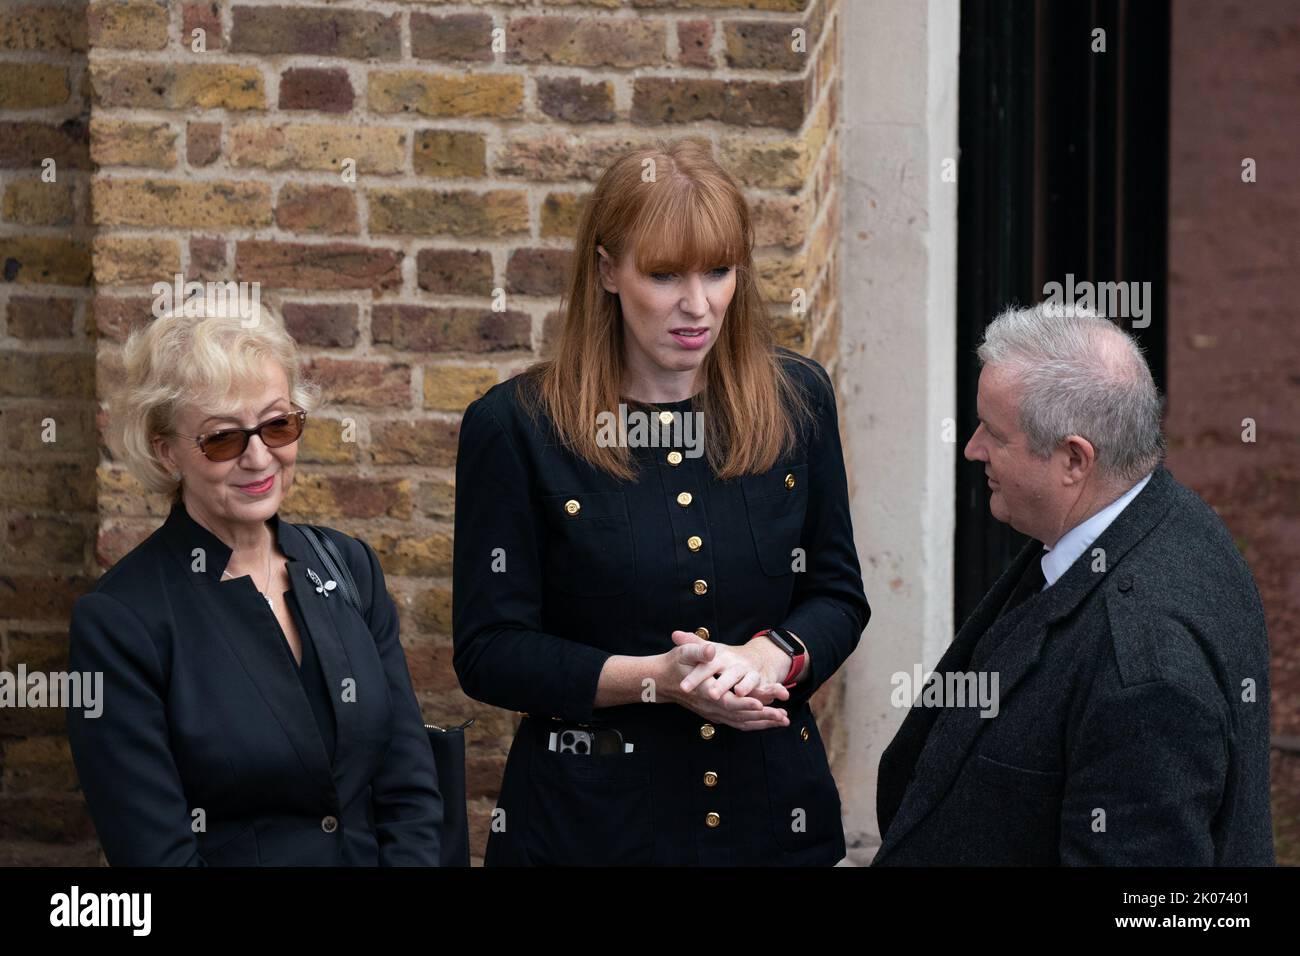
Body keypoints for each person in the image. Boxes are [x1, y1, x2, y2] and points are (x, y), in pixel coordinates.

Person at [452, 139, 871, 865]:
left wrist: (771, 658)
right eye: (665, 274)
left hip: (769, 817)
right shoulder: (516, 427)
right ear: (608, 270)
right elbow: (490, 651)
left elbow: (837, 594)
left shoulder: (797, 399)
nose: (697, 304)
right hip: (590, 829)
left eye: (718, 271)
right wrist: (656, 682)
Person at [873, 303, 1273, 865]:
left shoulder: (1144, 673)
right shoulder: (1153, 516)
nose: (972, 448)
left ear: (1074, 459)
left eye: (994, 432)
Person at [67, 301, 442, 866]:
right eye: (223, 438)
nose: (259, 457)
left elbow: (407, 784)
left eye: (278, 424)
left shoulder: (348, 566)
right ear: (167, 451)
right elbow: (155, 855)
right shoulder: (123, 620)